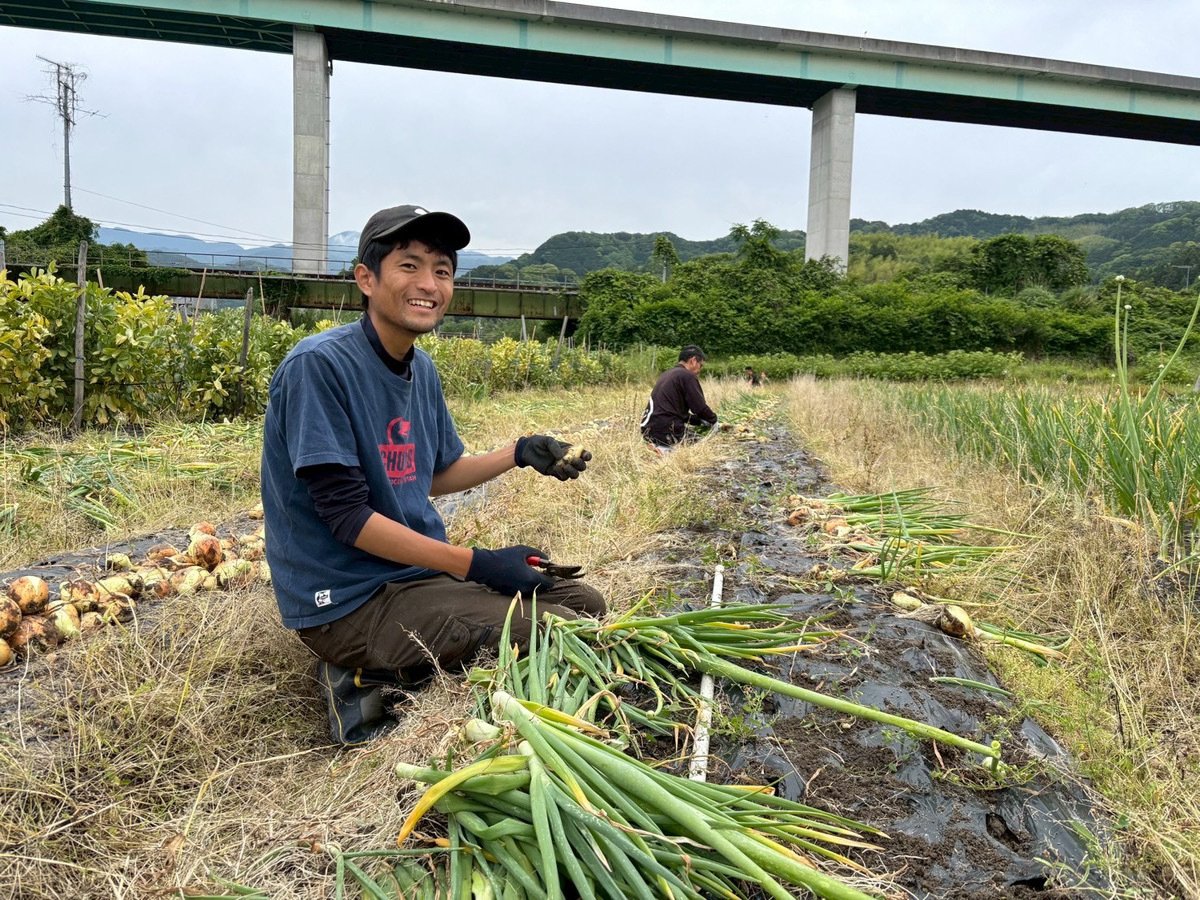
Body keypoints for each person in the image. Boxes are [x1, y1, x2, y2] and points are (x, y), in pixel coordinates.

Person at [261, 203, 606, 744]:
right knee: (538, 629)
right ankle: (361, 674)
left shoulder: (420, 369)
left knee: (584, 605)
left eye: (442, 270)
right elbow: (348, 518)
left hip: (409, 580)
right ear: (366, 279)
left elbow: (431, 475)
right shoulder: (320, 366)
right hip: (348, 598)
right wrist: (478, 566)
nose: (429, 283)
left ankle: (413, 658)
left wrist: (519, 452)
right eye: (410, 266)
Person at [639, 345, 718, 454]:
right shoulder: (687, 376)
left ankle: (658, 447)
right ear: (693, 361)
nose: (700, 370)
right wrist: (714, 420)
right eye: (701, 365)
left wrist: (699, 421)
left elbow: (679, 414)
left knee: (685, 439)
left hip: (648, 430)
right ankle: (664, 450)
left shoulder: (667, 374)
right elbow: (699, 408)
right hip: (667, 430)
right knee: (705, 447)